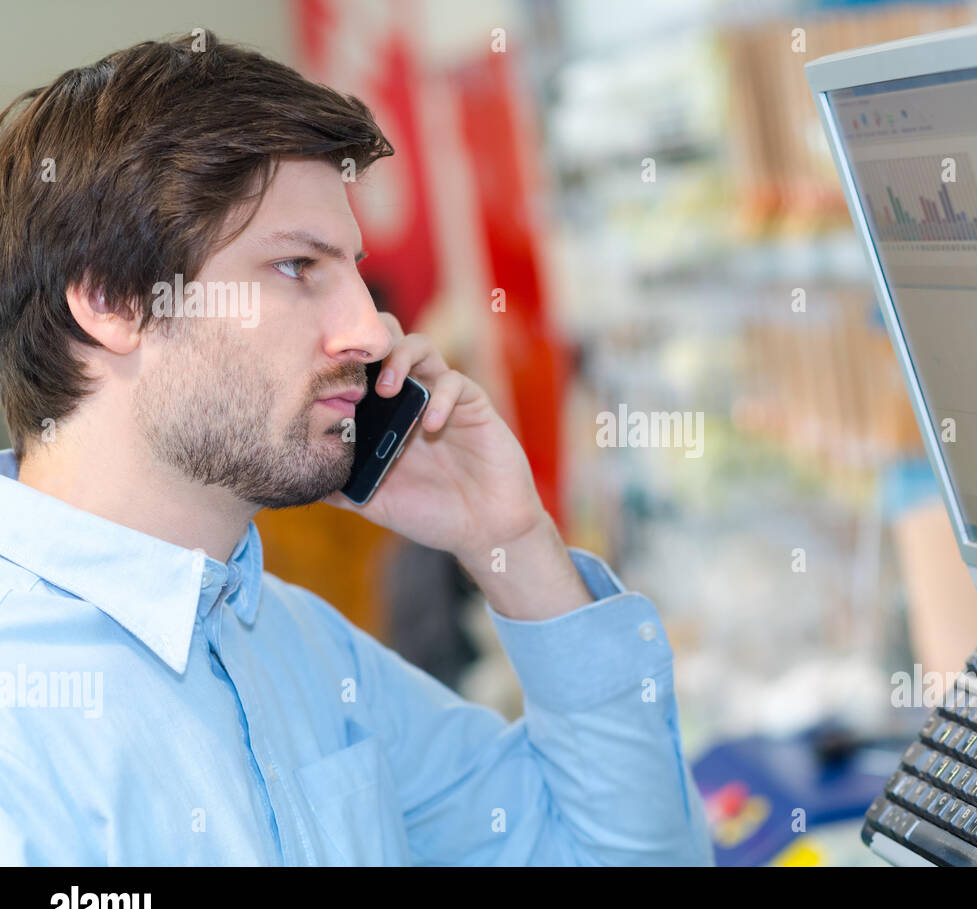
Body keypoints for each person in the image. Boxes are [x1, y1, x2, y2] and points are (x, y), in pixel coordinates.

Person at [0, 33, 713, 865]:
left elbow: (626, 857)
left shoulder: (297, 648)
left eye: (353, 270)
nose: (372, 330)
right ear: (111, 300)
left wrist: (512, 543)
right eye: (298, 266)